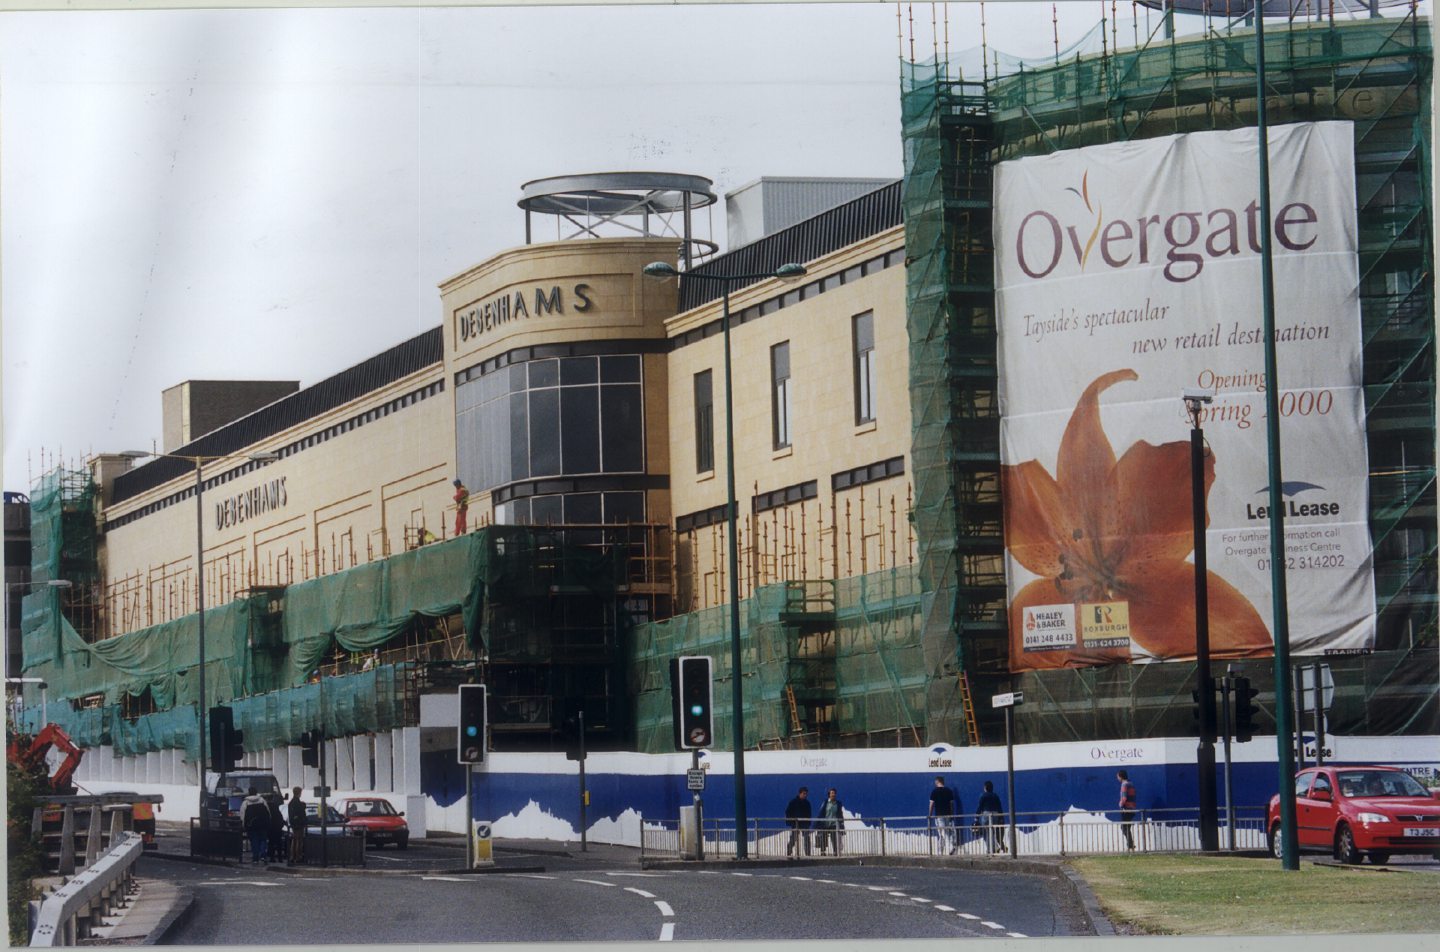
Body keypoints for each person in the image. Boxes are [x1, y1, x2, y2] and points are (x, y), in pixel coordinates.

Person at [928, 775, 961, 854]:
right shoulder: (949, 791)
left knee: (943, 832)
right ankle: (940, 851)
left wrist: (930, 815)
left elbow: (931, 805)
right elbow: (952, 805)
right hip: (948, 815)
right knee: (943, 833)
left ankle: (950, 847)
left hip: (939, 816)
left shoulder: (934, 792)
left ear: (937, 781)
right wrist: (951, 815)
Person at [240, 787, 270, 864]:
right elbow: (268, 812)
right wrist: (268, 822)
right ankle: (263, 855)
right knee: (263, 839)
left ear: (249, 793)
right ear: (256, 792)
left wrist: (244, 825)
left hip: (251, 825)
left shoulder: (245, 802)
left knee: (254, 841)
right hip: (262, 824)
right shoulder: (262, 800)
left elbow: (242, 815)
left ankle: (255, 858)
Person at [975, 780, 1004, 853]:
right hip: (995, 815)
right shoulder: (995, 796)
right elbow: (999, 807)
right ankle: (994, 847)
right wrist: (1001, 817)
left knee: (986, 832)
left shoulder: (983, 796)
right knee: (992, 831)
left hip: (986, 814)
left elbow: (980, 807)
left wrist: (976, 817)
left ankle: (991, 849)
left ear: (985, 788)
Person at [784, 786, 812, 857]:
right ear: (800, 793)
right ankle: (789, 853)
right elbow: (788, 812)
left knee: (806, 838)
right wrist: (791, 821)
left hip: (804, 824)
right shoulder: (793, 802)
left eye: (806, 794)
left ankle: (808, 854)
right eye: (804, 793)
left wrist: (808, 823)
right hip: (795, 823)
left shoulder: (807, 803)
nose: (805, 795)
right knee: (793, 838)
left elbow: (809, 814)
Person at [815, 788, 845, 856]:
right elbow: (821, 812)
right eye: (832, 793)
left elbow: (840, 813)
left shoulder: (838, 803)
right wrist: (818, 823)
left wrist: (841, 823)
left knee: (834, 838)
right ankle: (823, 851)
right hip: (825, 823)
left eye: (834, 793)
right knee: (823, 837)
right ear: (829, 794)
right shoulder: (826, 802)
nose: (833, 794)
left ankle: (835, 851)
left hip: (833, 824)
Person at [1117, 769, 1138, 851]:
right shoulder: (1131, 784)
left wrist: (1120, 804)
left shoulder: (1124, 785)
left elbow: (1124, 797)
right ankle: (1131, 846)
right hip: (1132, 808)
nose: (1117, 778)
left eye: (1118, 777)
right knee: (1127, 828)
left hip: (1126, 809)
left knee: (1124, 828)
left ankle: (1130, 845)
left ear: (1121, 777)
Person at [286, 787, 307, 865]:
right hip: (299, 824)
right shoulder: (297, 803)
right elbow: (301, 813)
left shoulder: (291, 803)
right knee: (299, 841)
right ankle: (298, 857)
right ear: (299, 793)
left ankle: (292, 856)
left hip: (293, 824)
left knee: (294, 840)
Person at [265, 792, 287, 862]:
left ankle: (272, 858)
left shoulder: (266, 807)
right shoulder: (275, 806)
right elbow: (279, 816)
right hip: (277, 827)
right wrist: (282, 823)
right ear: (272, 799)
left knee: (271, 843)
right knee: (278, 843)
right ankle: (280, 858)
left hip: (270, 827)